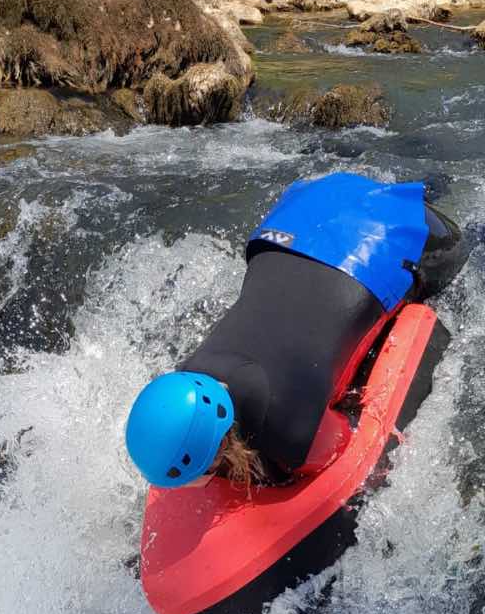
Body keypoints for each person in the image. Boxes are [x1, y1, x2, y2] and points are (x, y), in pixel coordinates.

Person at [125, 172, 465, 490]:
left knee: (472, 254)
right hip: (296, 219)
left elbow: (346, 441)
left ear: (214, 457)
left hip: (383, 236)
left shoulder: (287, 431)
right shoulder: (188, 371)